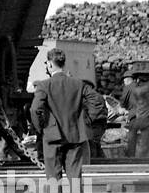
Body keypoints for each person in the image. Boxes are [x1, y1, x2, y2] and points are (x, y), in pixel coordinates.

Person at [30, 48, 105, 182]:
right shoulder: (78, 83)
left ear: (50, 64)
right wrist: (86, 120)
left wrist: (41, 128)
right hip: (75, 135)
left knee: (53, 180)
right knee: (75, 180)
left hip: (52, 137)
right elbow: (97, 101)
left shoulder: (44, 85)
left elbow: (35, 109)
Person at [120, 62, 149, 158]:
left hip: (134, 116)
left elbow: (123, 103)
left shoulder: (128, 88)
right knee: (147, 139)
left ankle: (131, 158)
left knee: (132, 139)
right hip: (148, 116)